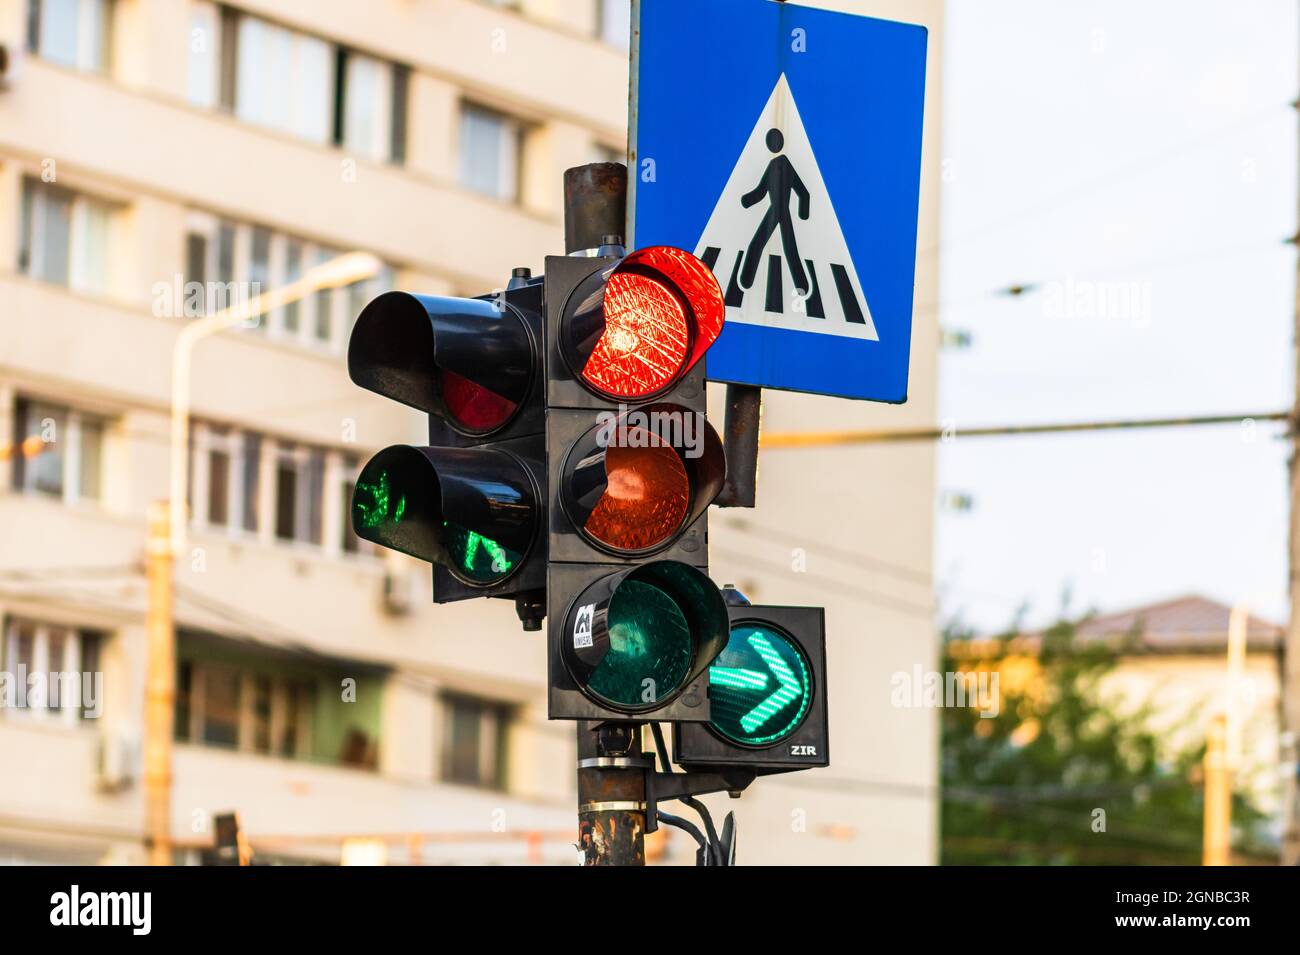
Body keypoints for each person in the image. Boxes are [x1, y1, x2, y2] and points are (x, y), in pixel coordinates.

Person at [738, 128, 810, 294]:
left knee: (780, 248)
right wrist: (746, 201)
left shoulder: (784, 164)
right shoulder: (773, 165)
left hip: (780, 212)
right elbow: (761, 192)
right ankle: (746, 282)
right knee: (774, 247)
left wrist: (804, 213)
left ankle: (802, 288)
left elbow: (803, 192)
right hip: (776, 211)